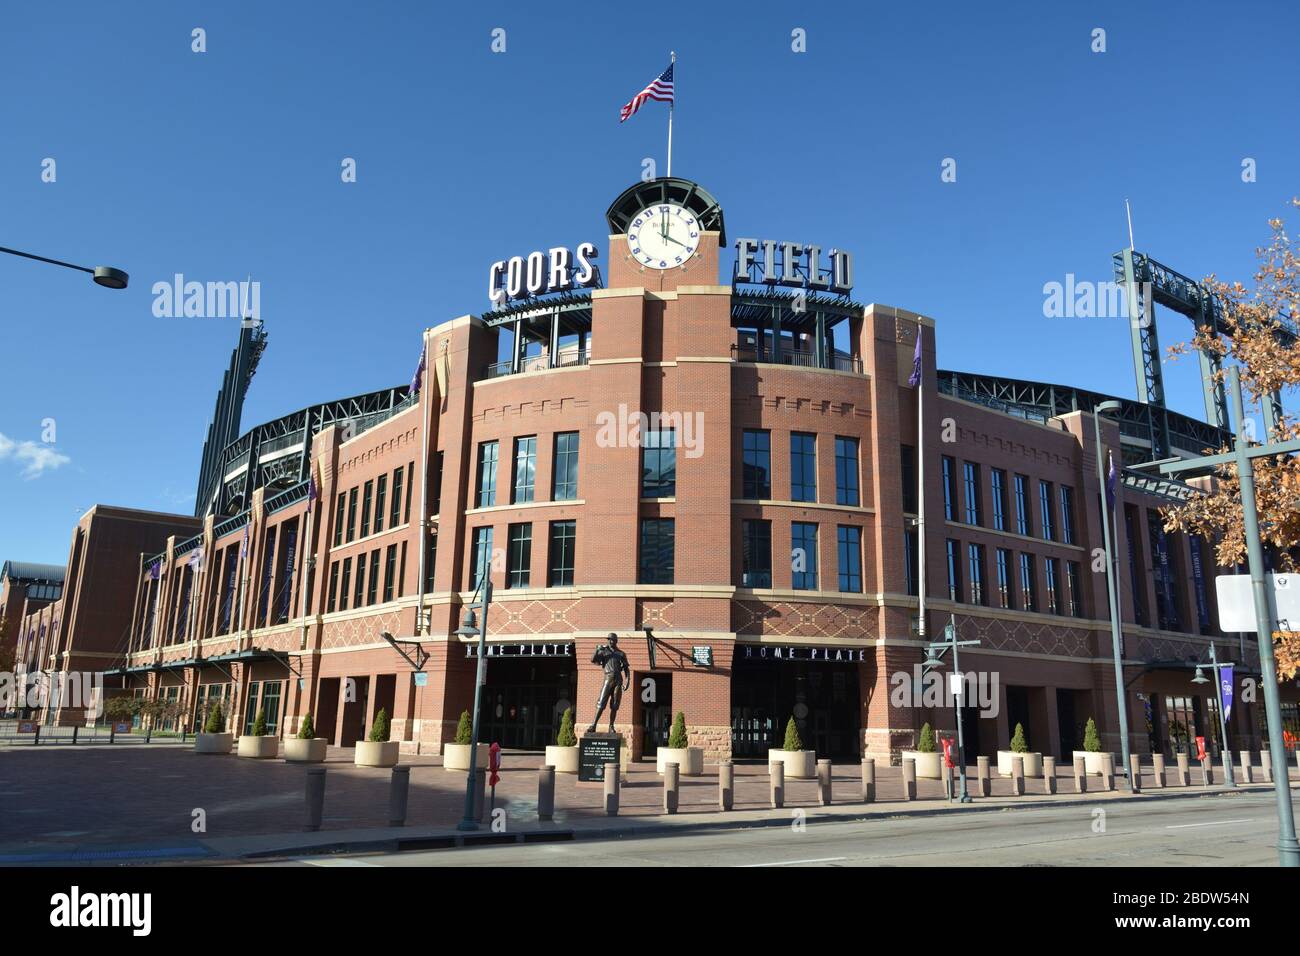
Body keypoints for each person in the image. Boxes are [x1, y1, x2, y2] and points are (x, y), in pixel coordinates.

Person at [585, 632, 630, 733]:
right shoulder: (604, 651)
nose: (610, 641)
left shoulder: (621, 653)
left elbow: (626, 668)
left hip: (618, 680)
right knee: (601, 702)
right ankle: (593, 725)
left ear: (616, 641)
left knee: (615, 704)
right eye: (609, 639)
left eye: (612, 640)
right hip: (608, 678)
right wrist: (597, 650)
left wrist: (628, 681)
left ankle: (611, 726)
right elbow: (593, 660)